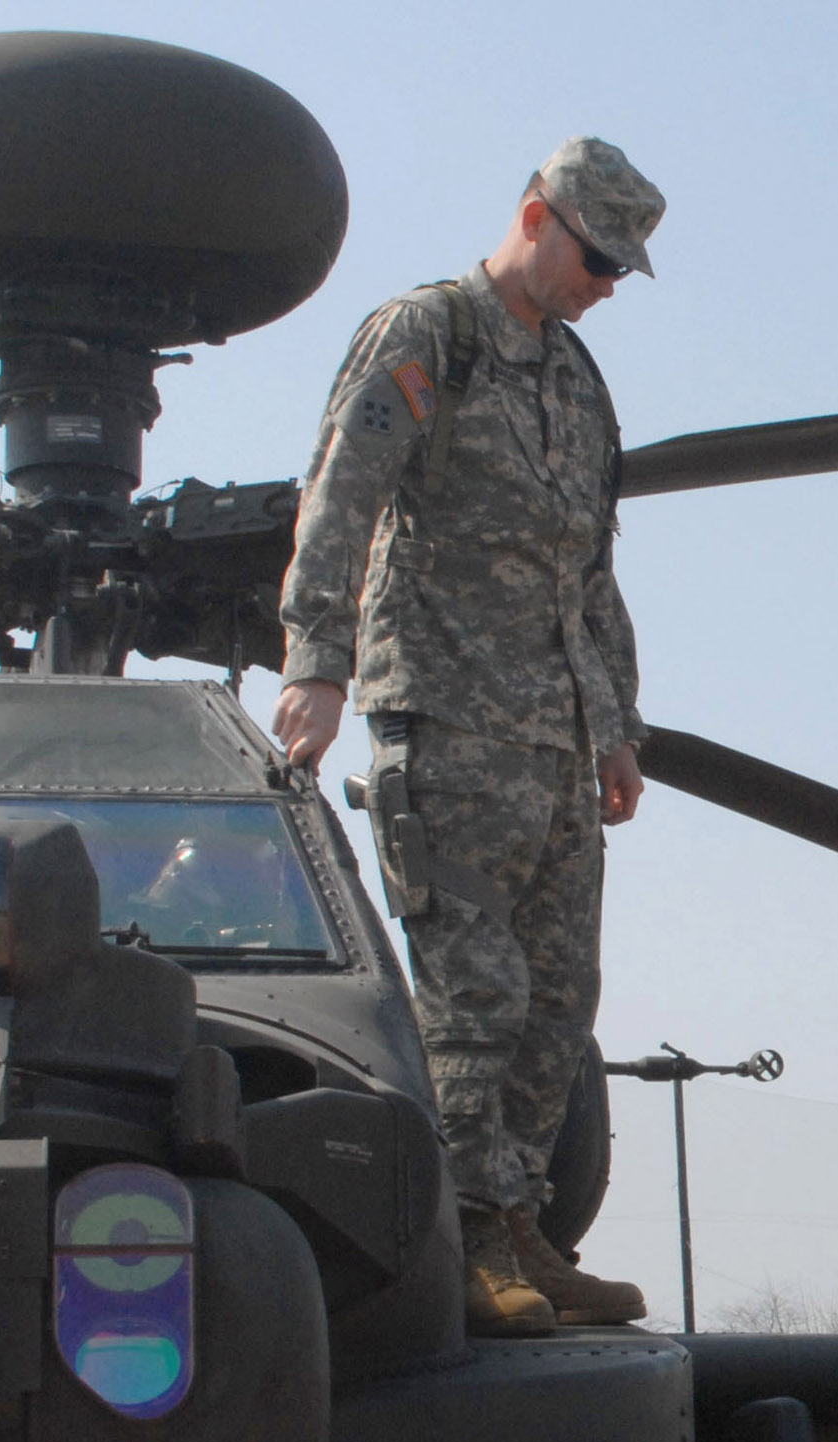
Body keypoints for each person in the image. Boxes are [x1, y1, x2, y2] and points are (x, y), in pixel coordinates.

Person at [273, 138, 664, 1334]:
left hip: (555, 741)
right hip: (445, 721)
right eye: (597, 257)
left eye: (622, 269)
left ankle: (523, 1232)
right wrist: (317, 663)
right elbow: (340, 493)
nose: (606, 283)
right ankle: (462, 1241)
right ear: (535, 217)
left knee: (558, 999)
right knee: (473, 995)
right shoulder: (428, 335)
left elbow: (589, 572)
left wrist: (617, 724)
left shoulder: (580, 384)